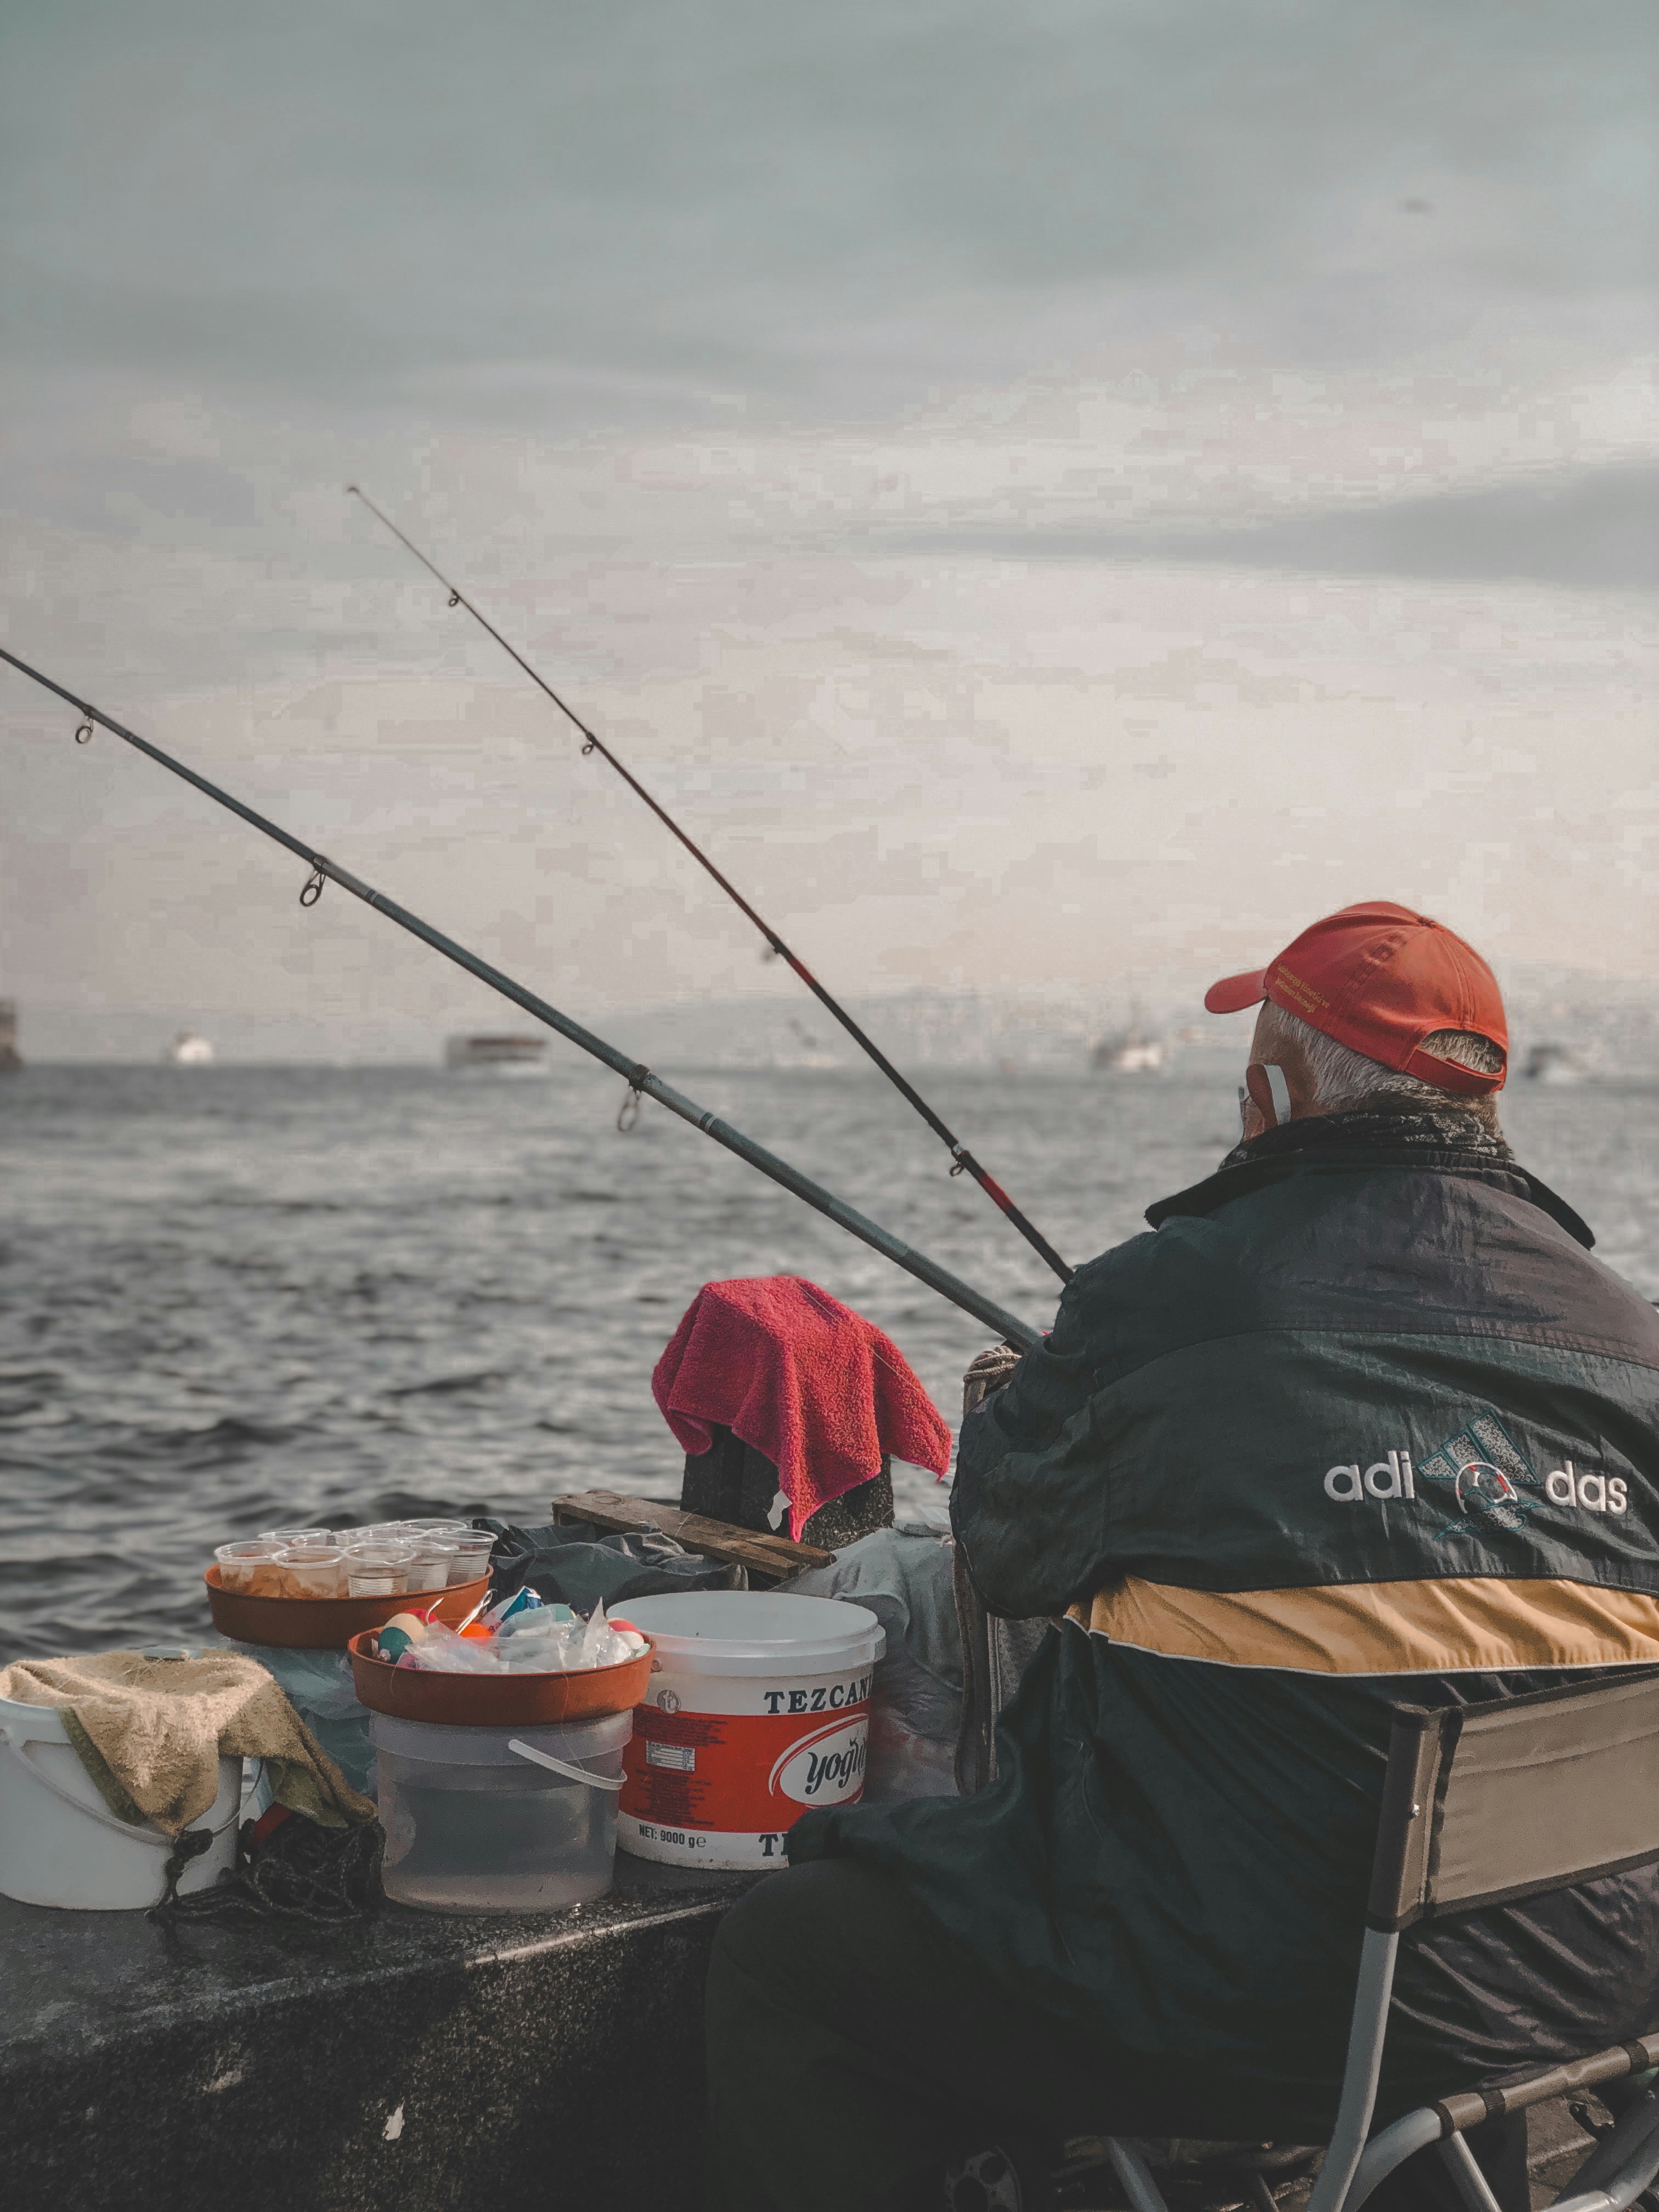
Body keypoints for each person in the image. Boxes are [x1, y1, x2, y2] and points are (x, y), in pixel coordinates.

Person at [703, 901, 1659, 2212]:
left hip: (1249, 2000)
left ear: (1277, 1093)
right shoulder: (1631, 1339)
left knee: (787, 1956)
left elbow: (1009, 1552)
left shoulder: (1167, 1296)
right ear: (1486, 1103)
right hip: (1585, 1987)